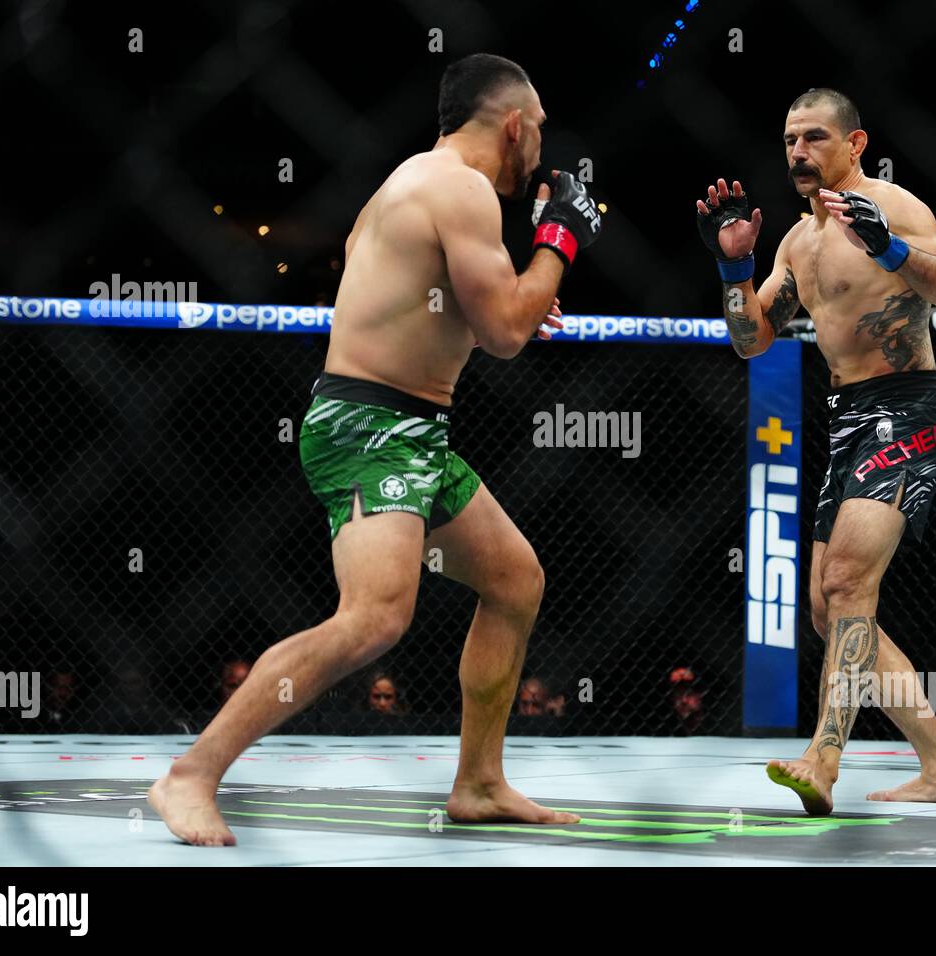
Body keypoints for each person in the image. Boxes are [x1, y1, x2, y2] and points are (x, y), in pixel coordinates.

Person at [150, 53, 601, 845]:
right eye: (539, 129)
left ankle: (480, 783)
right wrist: (558, 237)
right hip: (369, 427)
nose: (541, 147)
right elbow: (503, 333)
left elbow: (469, 314)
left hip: (410, 429)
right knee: (374, 616)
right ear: (513, 124)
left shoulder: (410, 183)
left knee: (514, 579)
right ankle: (193, 773)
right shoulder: (457, 187)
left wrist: (516, 295)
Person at [696, 87, 936, 815]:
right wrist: (735, 268)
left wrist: (890, 245)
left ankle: (823, 761)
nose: (798, 151)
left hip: (909, 407)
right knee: (829, 612)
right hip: (849, 417)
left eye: (815, 137)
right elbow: (751, 342)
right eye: (790, 139)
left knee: (849, 585)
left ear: (854, 145)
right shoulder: (796, 242)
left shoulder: (897, 206)